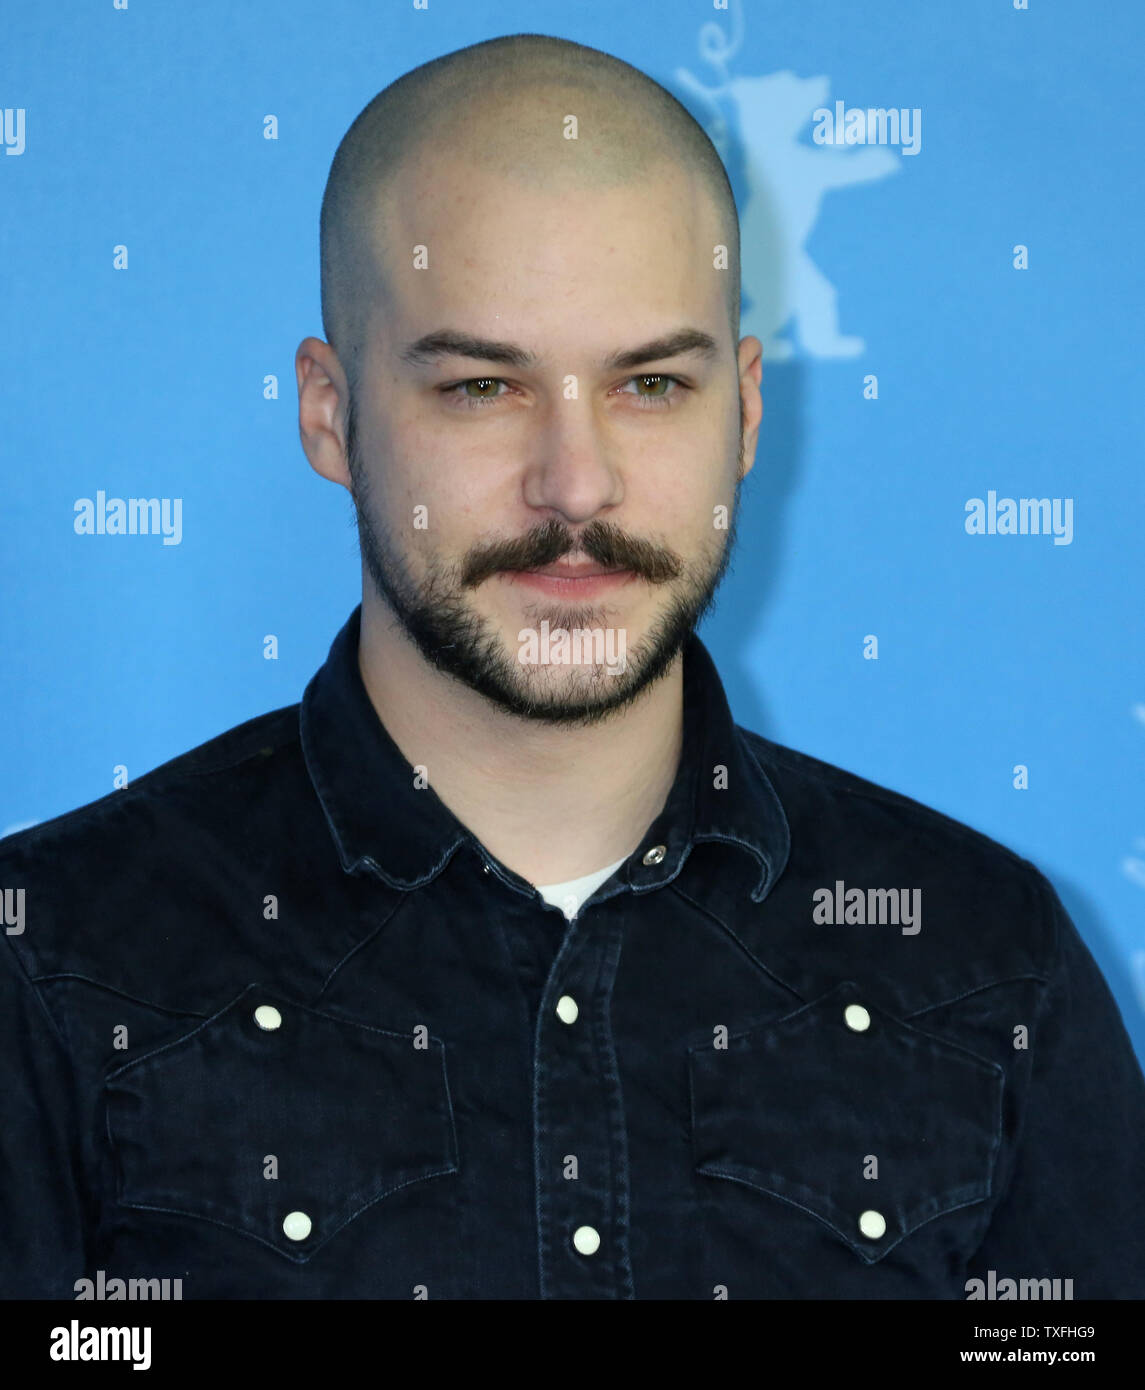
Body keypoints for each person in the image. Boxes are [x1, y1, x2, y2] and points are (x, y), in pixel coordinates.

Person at [2, 32, 1142, 1301]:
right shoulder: (50, 958)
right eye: (483, 387)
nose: (576, 485)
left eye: (649, 384)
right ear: (332, 414)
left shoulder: (986, 955)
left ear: (746, 412)